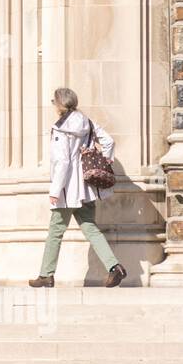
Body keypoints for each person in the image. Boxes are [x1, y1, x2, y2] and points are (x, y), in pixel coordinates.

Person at [29, 87, 126, 288]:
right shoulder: (86, 122)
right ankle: (115, 267)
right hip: (86, 188)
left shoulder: (60, 129)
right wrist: (103, 158)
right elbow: (109, 141)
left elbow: (63, 162)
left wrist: (55, 191)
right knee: (90, 228)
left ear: (59, 104)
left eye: (53, 101)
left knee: (55, 231)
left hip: (67, 190)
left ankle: (46, 274)